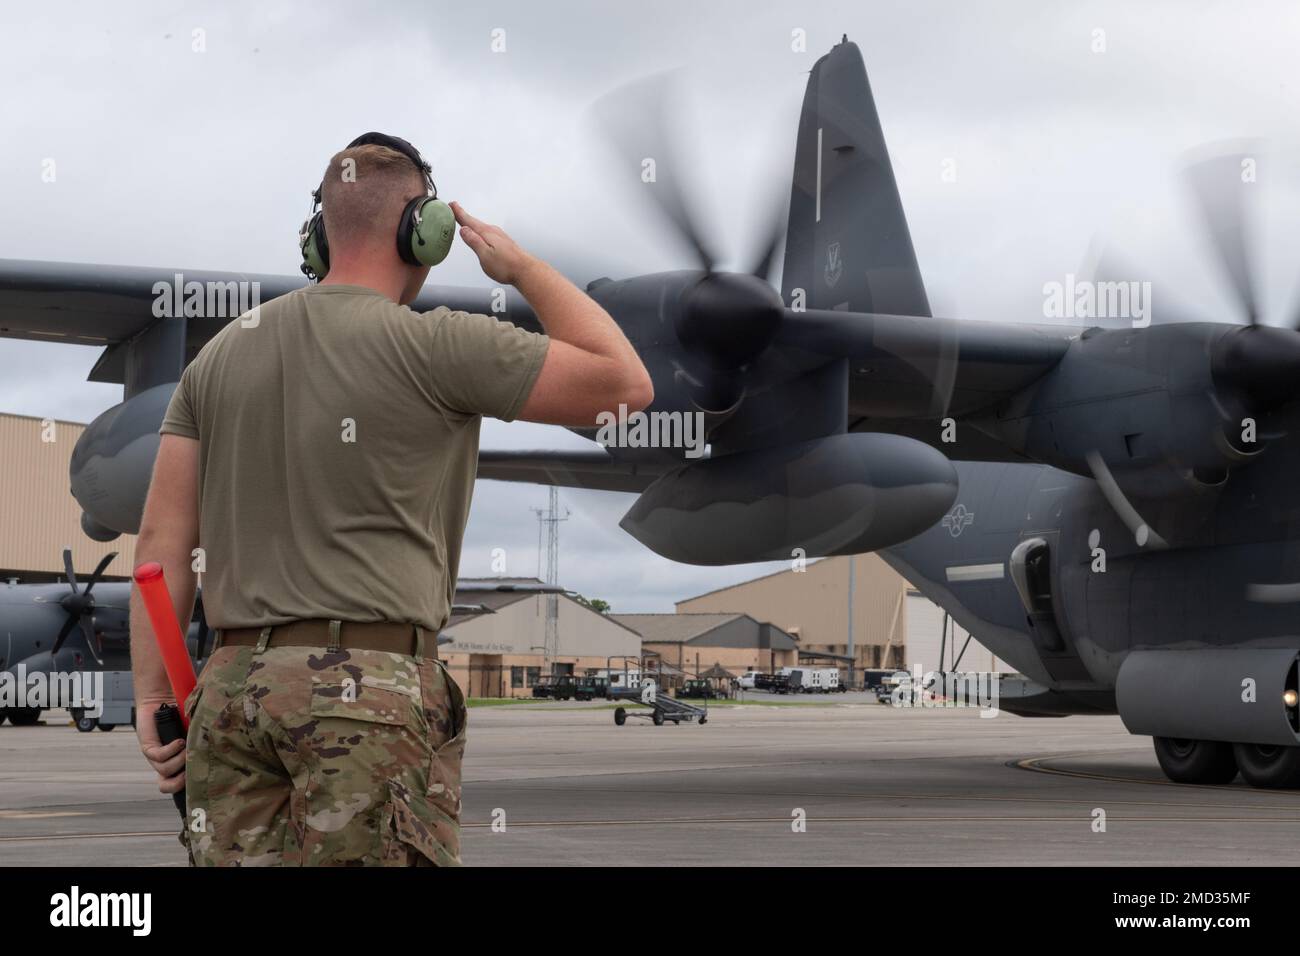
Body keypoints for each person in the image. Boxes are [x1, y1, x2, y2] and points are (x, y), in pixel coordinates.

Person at [130, 132, 652, 866]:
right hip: (364, 692)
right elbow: (626, 386)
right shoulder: (441, 347)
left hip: (230, 694)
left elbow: (160, 544)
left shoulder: (216, 356)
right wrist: (524, 267)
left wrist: (154, 698)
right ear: (425, 234)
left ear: (317, 236)